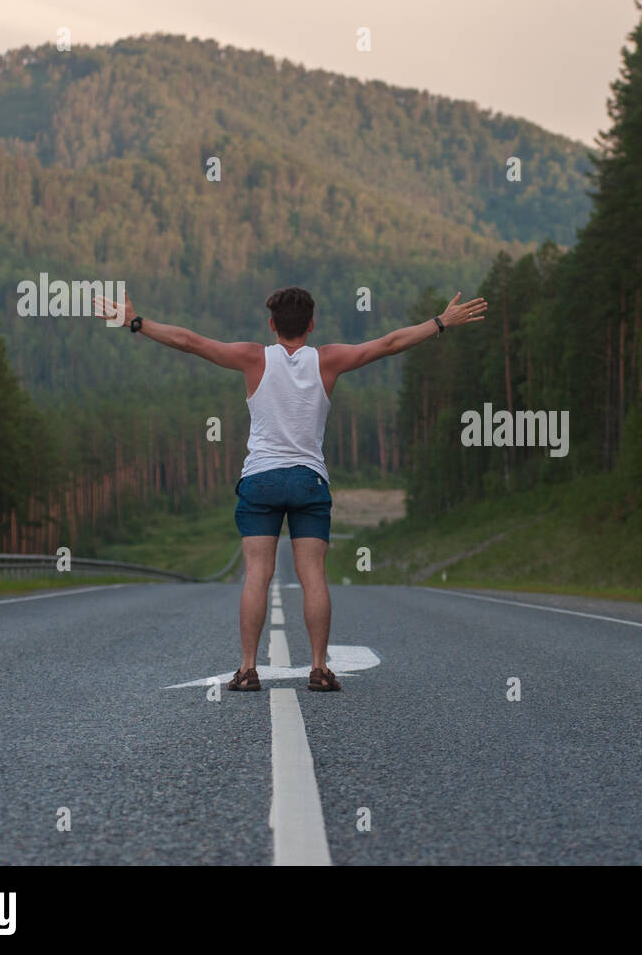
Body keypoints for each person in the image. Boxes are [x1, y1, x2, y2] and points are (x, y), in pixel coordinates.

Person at [95, 287, 487, 691]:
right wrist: (440, 322)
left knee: (257, 574)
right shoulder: (328, 360)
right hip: (308, 479)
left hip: (260, 479)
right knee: (313, 575)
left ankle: (248, 670)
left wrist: (136, 323)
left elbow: (191, 342)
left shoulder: (253, 357)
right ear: (311, 324)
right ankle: (319, 669)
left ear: (272, 325)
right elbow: (389, 343)